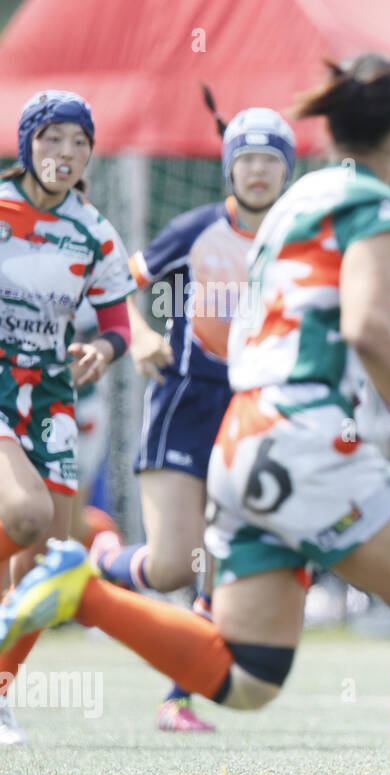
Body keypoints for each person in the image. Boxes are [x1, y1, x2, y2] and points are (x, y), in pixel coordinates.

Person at [0, 54, 390, 775]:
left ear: (324, 136)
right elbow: (365, 329)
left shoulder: (294, 207)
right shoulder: (375, 205)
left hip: (241, 437)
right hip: (308, 439)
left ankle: (84, 590)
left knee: (248, 677)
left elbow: (299, 314)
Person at [89, 104, 296, 733]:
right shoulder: (196, 229)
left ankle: (177, 700)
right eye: (246, 158)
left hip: (257, 409)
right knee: (175, 565)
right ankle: (99, 561)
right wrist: (141, 335)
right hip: (186, 402)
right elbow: (116, 284)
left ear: (287, 170)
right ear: (229, 167)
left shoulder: (302, 237)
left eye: (269, 159)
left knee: (222, 556)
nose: (257, 170)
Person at [0, 91, 135, 746]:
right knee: (24, 515)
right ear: (27, 145)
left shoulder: (94, 231)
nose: (66, 151)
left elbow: (118, 324)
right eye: (52, 137)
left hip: (51, 395)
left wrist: (104, 349)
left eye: (79, 141)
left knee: (48, 562)